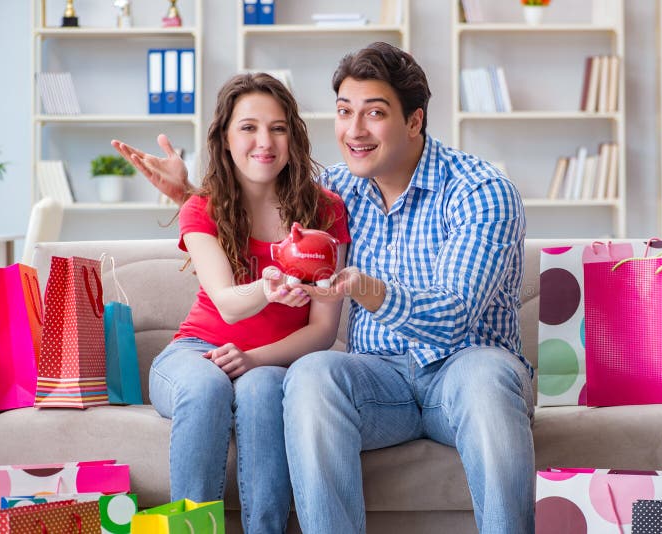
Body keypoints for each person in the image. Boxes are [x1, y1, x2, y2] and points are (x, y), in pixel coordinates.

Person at [114, 42, 533, 534]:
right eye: (344, 112)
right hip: (379, 379)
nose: (354, 131)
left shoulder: (480, 191)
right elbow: (256, 191)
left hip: (464, 366)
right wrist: (189, 195)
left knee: (486, 379)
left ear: (414, 121)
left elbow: (454, 316)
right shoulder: (341, 189)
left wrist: (368, 290)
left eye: (374, 113)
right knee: (311, 374)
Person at [114, 72, 350, 534]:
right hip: (195, 352)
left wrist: (253, 359)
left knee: (263, 391)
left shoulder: (325, 210)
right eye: (248, 127)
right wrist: (268, 287)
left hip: (271, 363)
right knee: (207, 388)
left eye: (278, 128)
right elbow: (226, 303)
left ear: (293, 137)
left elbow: (322, 330)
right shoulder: (203, 208)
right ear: (225, 138)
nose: (265, 141)